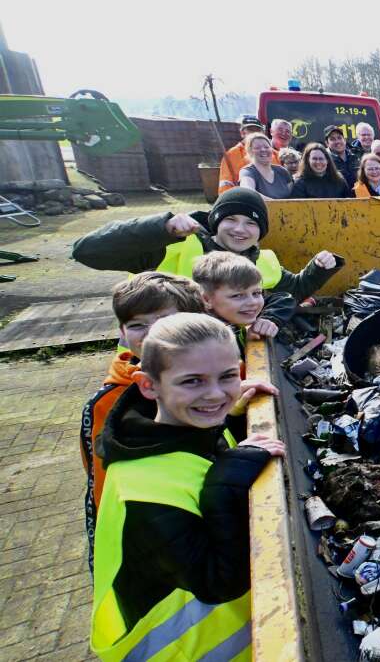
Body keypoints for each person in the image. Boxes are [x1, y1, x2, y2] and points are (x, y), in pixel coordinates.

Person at [89, 312, 284, 662]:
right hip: (179, 651)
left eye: (227, 376)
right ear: (149, 385)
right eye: (192, 381)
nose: (215, 394)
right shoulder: (142, 492)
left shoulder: (183, 428)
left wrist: (236, 418)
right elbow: (217, 581)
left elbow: (205, 461)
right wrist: (227, 484)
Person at [80, 273, 207, 571]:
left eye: (164, 322)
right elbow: (101, 487)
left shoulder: (216, 383)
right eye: (138, 325)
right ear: (122, 332)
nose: (151, 333)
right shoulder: (108, 404)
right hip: (157, 547)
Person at [72, 187, 341, 306]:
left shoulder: (263, 261)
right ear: (215, 222)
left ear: (261, 231)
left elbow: (295, 290)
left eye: (250, 223)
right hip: (152, 366)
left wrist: (318, 268)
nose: (240, 229)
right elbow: (87, 251)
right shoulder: (172, 247)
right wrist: (159, 228)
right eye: (231, 220)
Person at [192, 251, 281, 345]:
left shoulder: (228, 320)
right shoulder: (205, 339)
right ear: (206, 300)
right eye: (237, 296)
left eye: (257, 293)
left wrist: (249, 335)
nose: (252, 302)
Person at [218, 116, 276, 194]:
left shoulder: (273, 153)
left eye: (258, 130)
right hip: (243, 199)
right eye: (250, 130)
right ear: (242, 133)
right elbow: (225, 186)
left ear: (263, 133)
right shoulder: (230, 155)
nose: (254, 133)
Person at [238, 134, 292, 200]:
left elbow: (294, 194)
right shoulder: (248, 171)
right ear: (250, 152)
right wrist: (275, 204)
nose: (263, 150)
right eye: (257, 148)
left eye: (266, 147)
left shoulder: (282, 171)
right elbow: (247, 191)